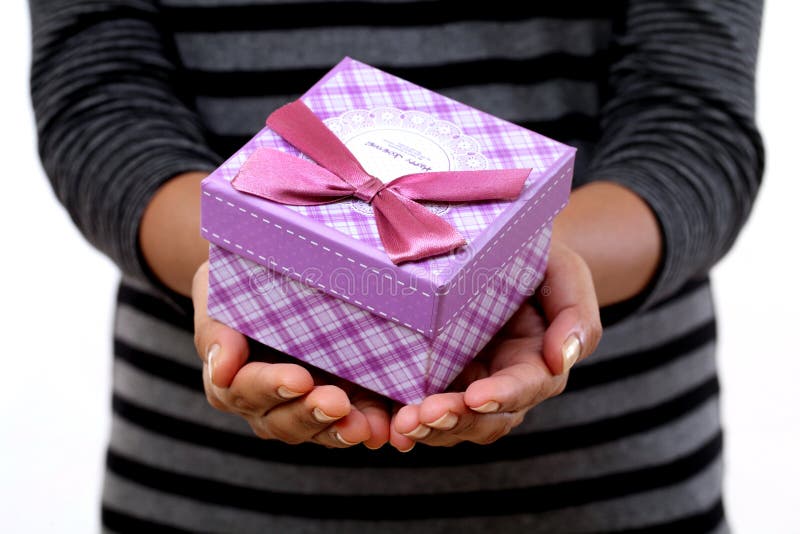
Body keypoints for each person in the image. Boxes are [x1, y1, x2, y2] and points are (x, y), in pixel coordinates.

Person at [28, 1, 764, 532]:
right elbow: (101, 103)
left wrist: (527, 264)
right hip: (212, 487)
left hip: (602, 481)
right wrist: (239, 256)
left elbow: (694, 125)